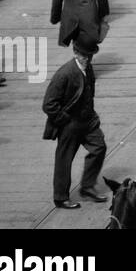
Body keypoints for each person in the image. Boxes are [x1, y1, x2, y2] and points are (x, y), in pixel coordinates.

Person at [42, 38, 108, 209]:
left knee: (99, 147)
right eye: (85, 55)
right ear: (76, 53)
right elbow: (49, 104)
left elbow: (89, 92)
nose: (88, 59)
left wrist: (92, 115)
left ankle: (87, 187)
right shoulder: (64, 73)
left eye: (90, 56)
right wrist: (64, 120)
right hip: (69, 124)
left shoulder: (89, 68)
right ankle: (60, 197)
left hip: (87, 121)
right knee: (64, 159)